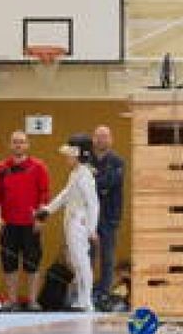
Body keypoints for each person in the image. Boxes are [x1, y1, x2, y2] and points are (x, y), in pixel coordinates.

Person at [37, 134, 99, 312]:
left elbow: (93, 203)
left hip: (79, 223)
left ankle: (86, 301)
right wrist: (47, 210)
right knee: (76, 262)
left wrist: (91, 229)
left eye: (70, 154)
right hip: (72, 221)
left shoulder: (85, 175)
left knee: (81, 261)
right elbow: (65, 195)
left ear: (79, 155)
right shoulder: (76, 173)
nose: (67, 158)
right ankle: (82, 299)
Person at [0, 130, 50, 311]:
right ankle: (12, 301)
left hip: (31, 224)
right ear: (10, 145)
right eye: (15, 142)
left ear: (27, 145)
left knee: (32, 263)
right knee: (9, 263)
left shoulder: (39, 167)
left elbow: (44, 195)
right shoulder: (1, 168)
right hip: (8, 224)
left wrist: (40, 219)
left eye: (22, 142)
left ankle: (32, 301)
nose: (18, 145)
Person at [89, 125, 125, 309]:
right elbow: (86, 184)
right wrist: (97, 184)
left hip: (110, 216)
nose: (101, 140)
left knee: (108, 257)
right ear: (93, 139)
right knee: (87, 256)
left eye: (105, 136)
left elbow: (110, 182)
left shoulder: (118, 161)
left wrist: (94, 182)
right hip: (88, 216)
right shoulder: (86, 161)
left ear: (111, 139)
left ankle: (105, 294)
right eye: (98, 136)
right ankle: (86, 294)